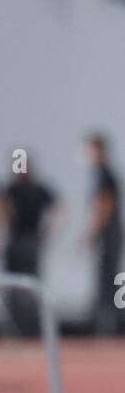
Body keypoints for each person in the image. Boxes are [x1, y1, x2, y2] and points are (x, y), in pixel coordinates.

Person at [3, 163, 57, 337]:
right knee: (27, 287)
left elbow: (2, 209)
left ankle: (21, 328)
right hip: (28, 240)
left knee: (19, 286)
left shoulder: (14, 189)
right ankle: (26, 328)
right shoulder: (34, 189)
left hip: (21, 240)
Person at [84, 134, 124, 335]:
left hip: (110, 234)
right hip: (110, 234)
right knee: (107, 279)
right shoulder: (102, 173)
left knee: (108, 280)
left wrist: (93, 233)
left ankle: (110, 327)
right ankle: (108, 324)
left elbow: (106, 205)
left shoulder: (105, 174)